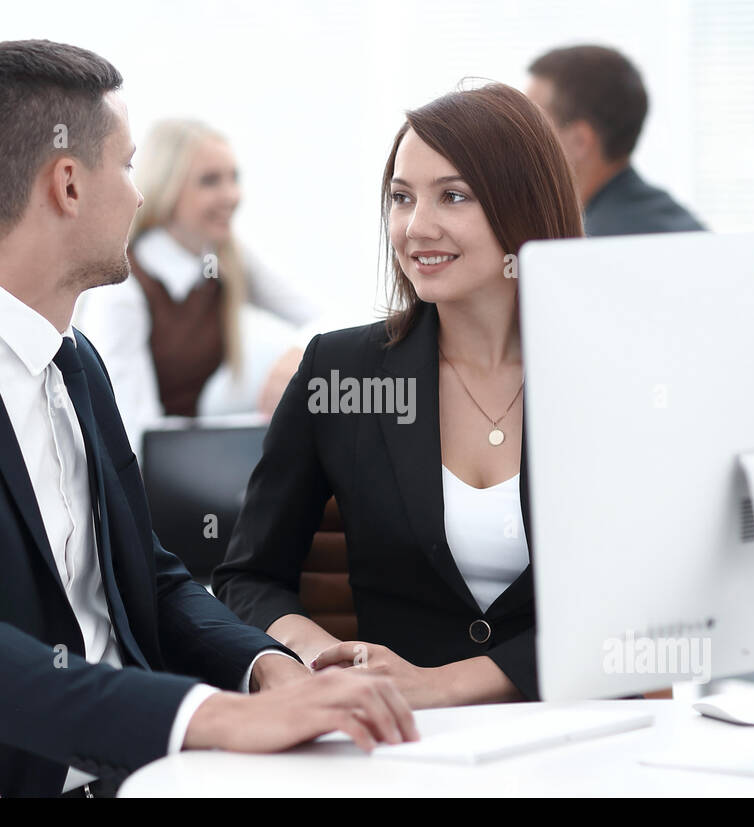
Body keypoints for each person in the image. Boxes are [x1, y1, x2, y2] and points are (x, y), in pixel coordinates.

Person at [0, 39, 414, 798]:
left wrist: (267, 667)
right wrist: (212, 715)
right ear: (69, 185)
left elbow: (149, 576)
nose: (139, 194)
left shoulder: (74, 357)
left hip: (143, 774)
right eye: (126, 164)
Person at [213, 83, 582, 707]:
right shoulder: (340, 371)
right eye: (401, 198)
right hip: (403, 743)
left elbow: (645, 602)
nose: (415, 227)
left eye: (454, 196)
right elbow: (248, 576)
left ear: (525, 206)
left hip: (580, 730)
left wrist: (447, 682)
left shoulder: (609, 372)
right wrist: (315, 655)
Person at [75, 118, 315, 448]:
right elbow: (133, 434)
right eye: (210, 181)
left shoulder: (227, 260)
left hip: (182, 463)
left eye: (234, 178)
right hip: (143, 476)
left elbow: (323, 320)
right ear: (167, 188)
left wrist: (300, 354)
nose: (232, 195)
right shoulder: (124, 288)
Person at [526, 45, 706, 236]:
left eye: (533, 125)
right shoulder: (678, 221)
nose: (523, 139)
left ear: (580, 141)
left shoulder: (594, 248)